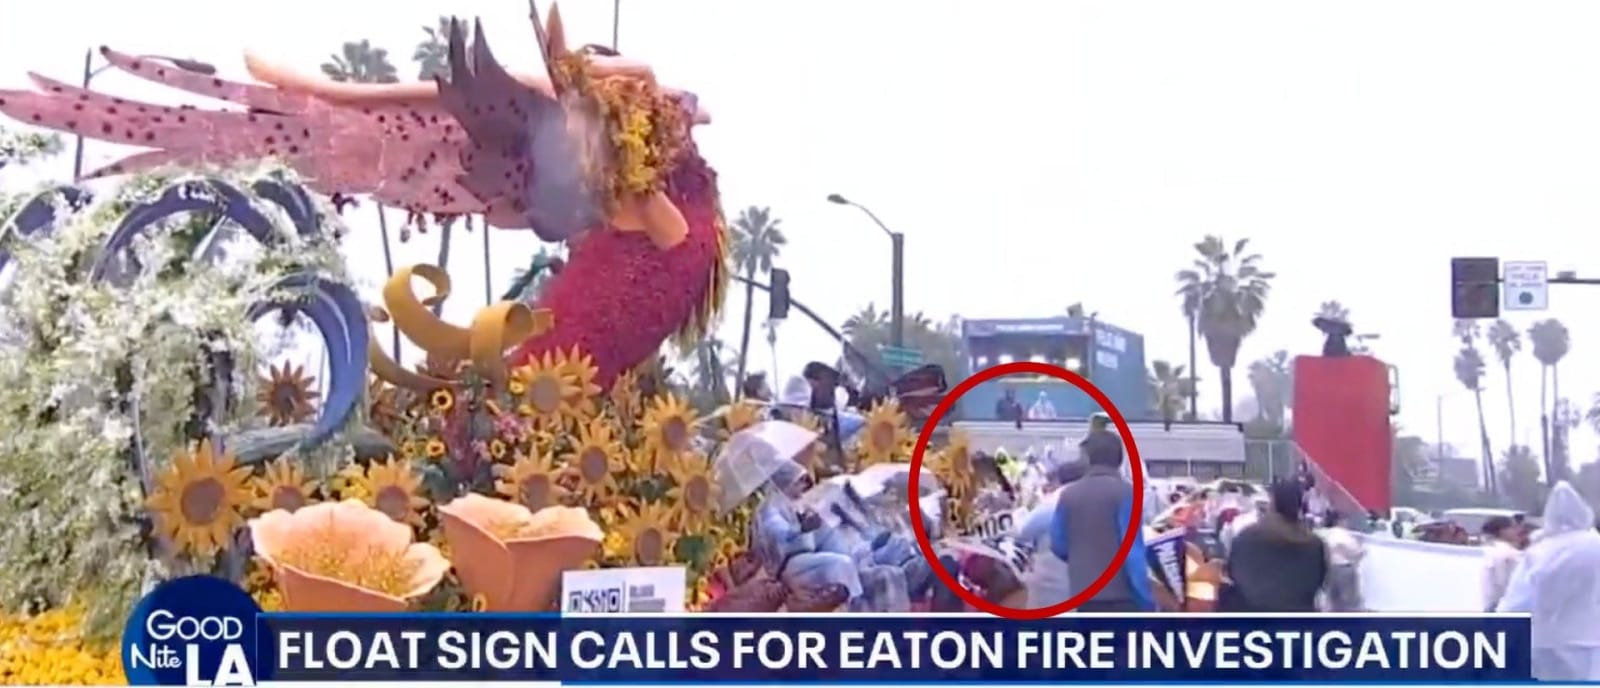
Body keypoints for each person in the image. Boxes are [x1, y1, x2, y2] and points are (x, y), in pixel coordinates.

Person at [1496, 482, 1600, 681]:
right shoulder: (1596, 546)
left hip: (1546, 642)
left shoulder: (1540, 551)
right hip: (1593, 641)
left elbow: (1517, 602)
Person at [1050, 431, 1154, 612]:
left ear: (1087, 459)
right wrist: (1147, 599)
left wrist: (1081, 558)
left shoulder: (1068, 495)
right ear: (1119, 459)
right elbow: (1132, 550)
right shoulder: (1126, 493)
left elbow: (1058, 544)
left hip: (1083, 594)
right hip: (1122, 597)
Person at [1220, 480, 1327, 612]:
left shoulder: (1247, 537)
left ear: (1273, 504)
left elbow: (1233, 573)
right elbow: (1318, 582)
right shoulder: (1314, 544)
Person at [1316, 510, 1364, 611]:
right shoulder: (1342, 534)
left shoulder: (1322, 533)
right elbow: (1356, 551)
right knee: (1351, 602)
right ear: (1340, 521)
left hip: (1328, 569)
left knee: (1333, 601)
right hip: (1345, 568)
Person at [1480, 515, 1522, 612]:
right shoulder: (1506, 552)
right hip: (1502, 605)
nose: (1517, 531)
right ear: (1502, 531)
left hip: (1491, 604)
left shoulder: (1490, 549)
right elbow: (1504, 582)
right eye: (1513, 527)